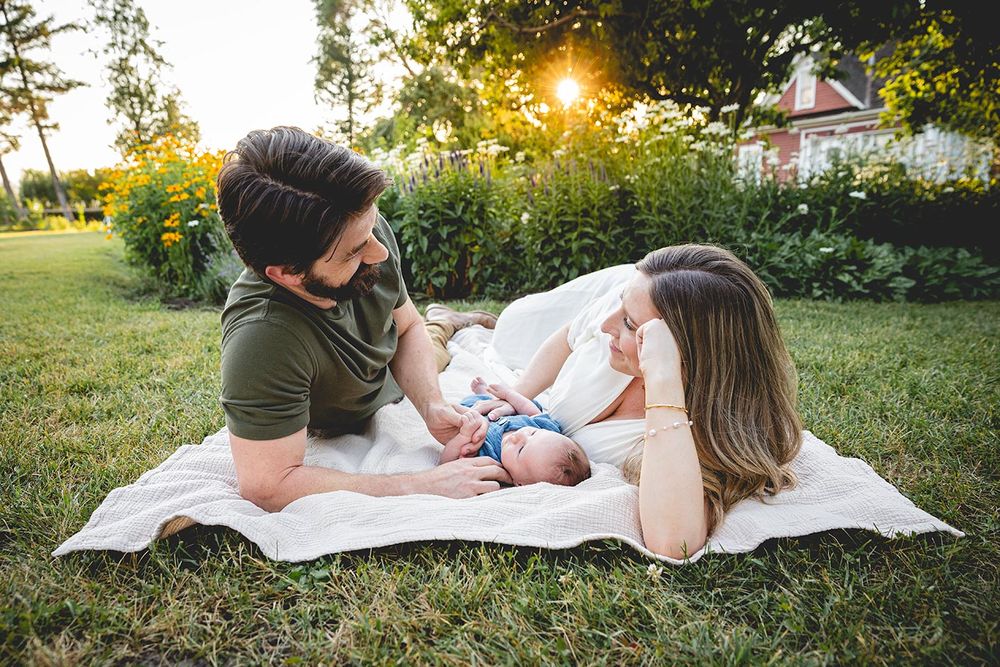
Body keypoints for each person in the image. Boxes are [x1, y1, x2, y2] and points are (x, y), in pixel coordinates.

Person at [215, 126, 509, 512]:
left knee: (431, 337)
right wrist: (422, 484)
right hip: (360, 393)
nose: (379, 254)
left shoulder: (357, 230)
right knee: (435, 341)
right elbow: (268, 486)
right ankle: (446, 320)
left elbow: (407, 327)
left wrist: (432, 405)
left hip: (389, 366)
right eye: (354, 252)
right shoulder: (262, 339)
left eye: (371, 230)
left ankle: (445, 320)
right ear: (287, 273)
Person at [462, 244, 803, 559]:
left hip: (658, 324)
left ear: (685, 354)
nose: (606, 324)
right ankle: (467, 320)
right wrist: (519, 392)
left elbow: (674, 543)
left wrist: (663, 379)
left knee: (506, 331)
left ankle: (456, 323)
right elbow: (568, 337)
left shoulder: (689, 431)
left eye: (629, 323)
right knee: (509, 328)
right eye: (622, 311)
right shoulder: (616, 312)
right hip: (584, 306)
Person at [438, 378, 591, 487]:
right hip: (499, 409)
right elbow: (531, 410)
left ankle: (479, 397)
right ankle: (486, 394)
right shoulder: (544, 428)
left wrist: (462, 437)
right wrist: (509, 395)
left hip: (469, 420)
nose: (519, 435)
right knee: (490, 400)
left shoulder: (491, 463)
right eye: (533, 434)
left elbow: (447, 464)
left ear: (519, 482)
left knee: (460, 410)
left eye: (521, 449)